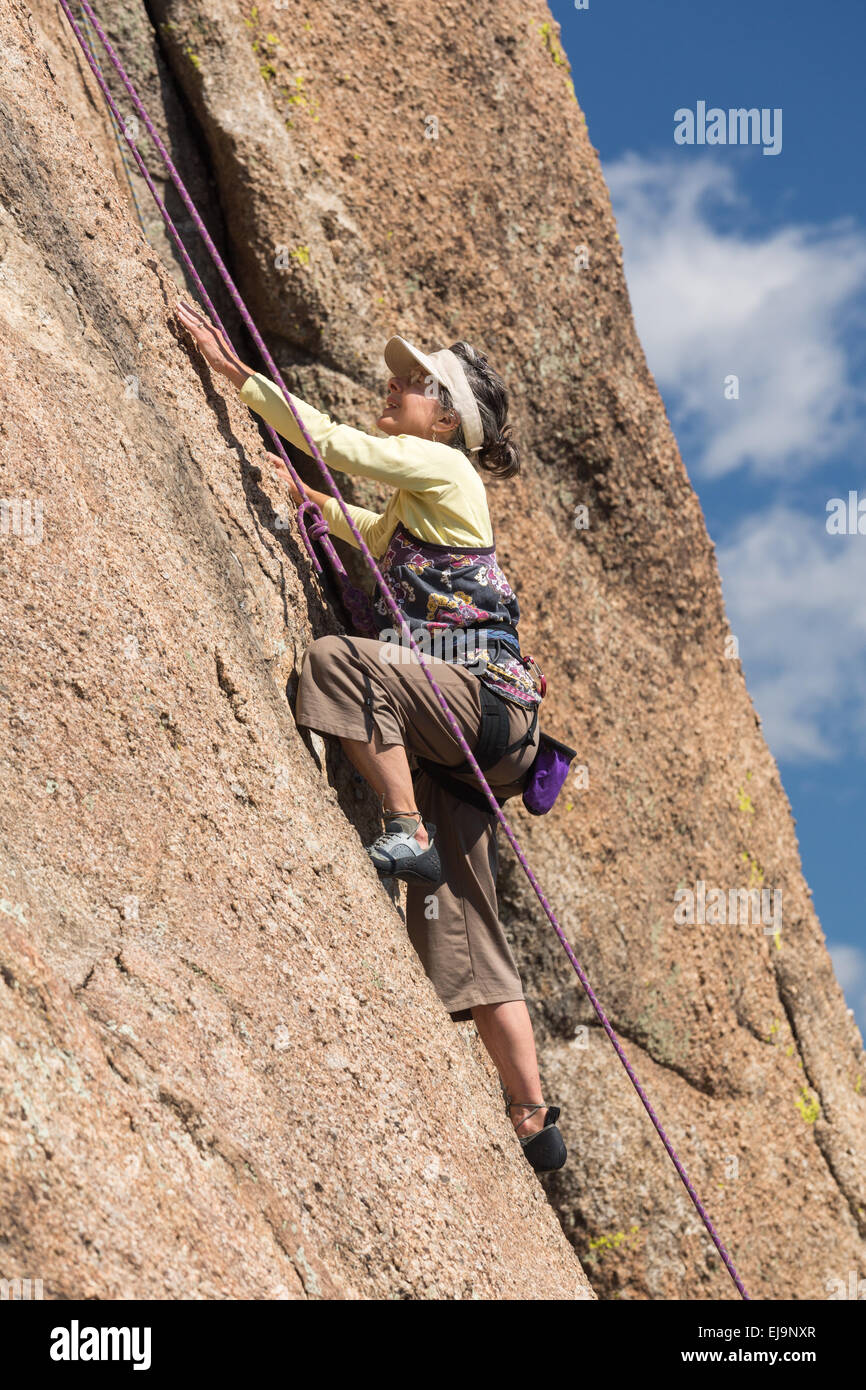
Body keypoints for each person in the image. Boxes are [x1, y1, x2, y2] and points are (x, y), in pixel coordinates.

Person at [175, 300, 567, 1173]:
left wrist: (239, 380)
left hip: (468, 701)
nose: (393, 386)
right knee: (460, 911)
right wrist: (303, 496)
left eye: (416, 384)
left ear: (448, 419)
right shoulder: (424, 497)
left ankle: (405, 826)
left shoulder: (441, 468)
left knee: (336, 665)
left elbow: (343, 448)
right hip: (489, 727)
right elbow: (360, 523)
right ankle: (533, 1115)